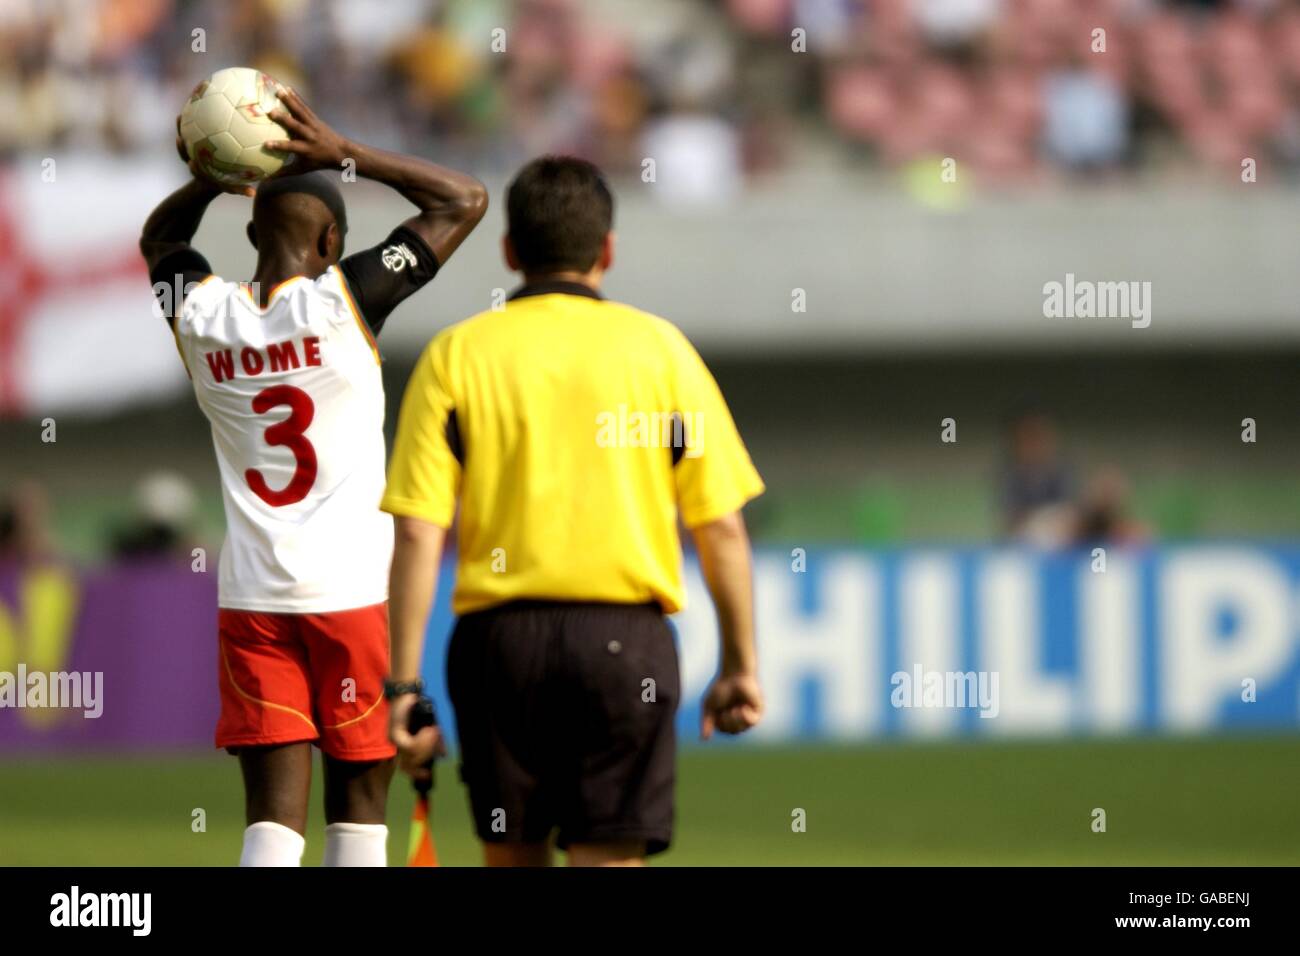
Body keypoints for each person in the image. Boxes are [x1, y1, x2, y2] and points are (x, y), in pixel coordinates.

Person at [382, 155, 765, 867]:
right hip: (626, 646)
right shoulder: (662, 351)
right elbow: (721, 527)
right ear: (608, 251)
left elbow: (415, 530)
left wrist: (404, 687)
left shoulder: (455, 354)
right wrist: (740, 665)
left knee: (512, 858)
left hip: (498, 649)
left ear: (509, 252)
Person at [138, 87, 487, 866]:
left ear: (253, 227)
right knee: (359, 817)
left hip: (253, 600)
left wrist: (216, 172)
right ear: (331, 239)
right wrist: (344, 153)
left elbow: (161, 238)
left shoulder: (200, 314)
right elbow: (464, 198)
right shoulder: (350, 300)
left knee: (270, 823)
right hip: (353, 598)